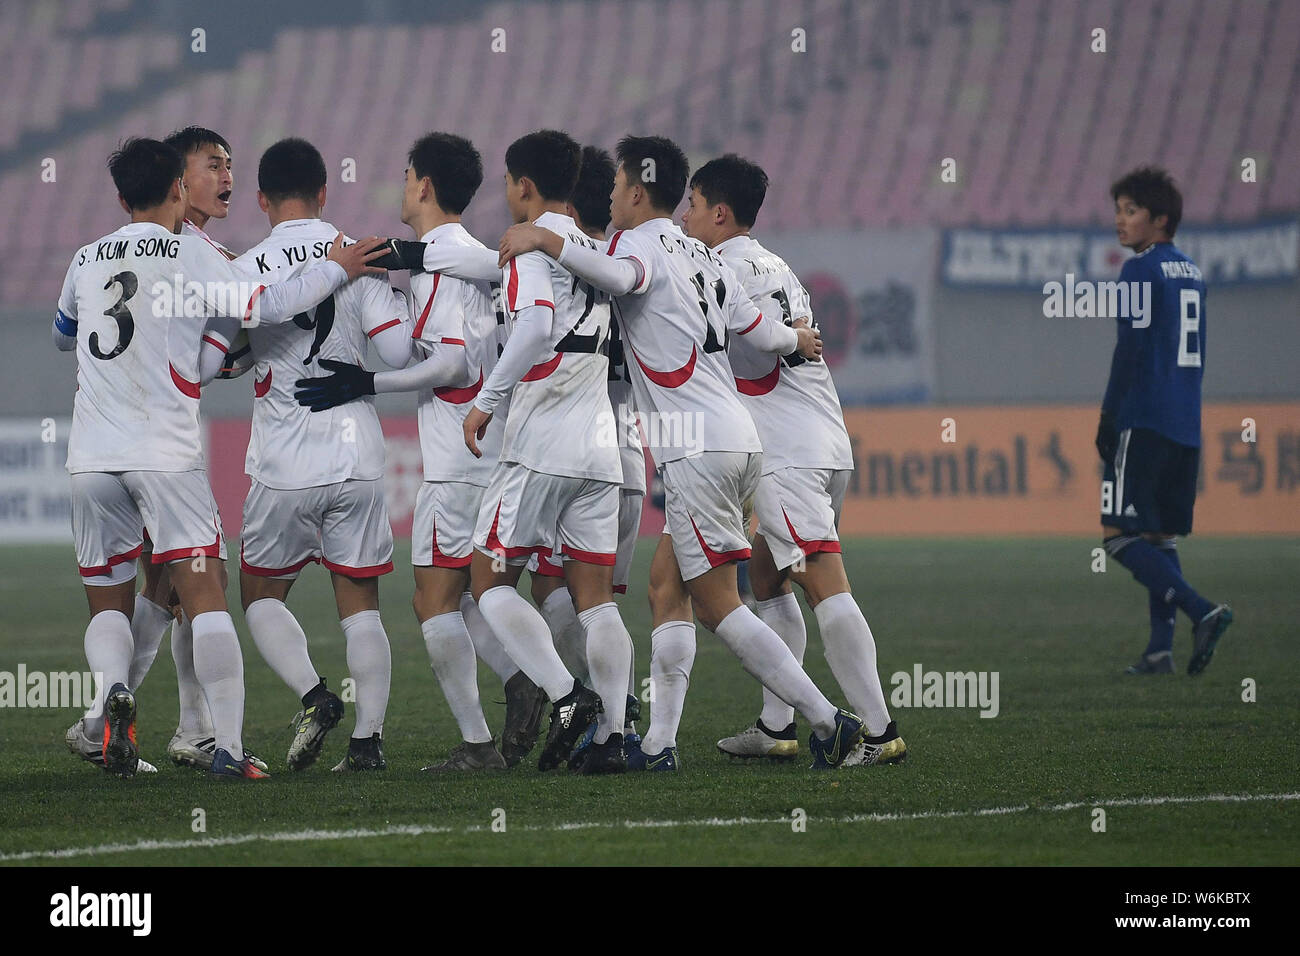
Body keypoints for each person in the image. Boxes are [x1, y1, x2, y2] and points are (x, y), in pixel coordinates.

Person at [498, 135, 863, 770]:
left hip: (695, 446)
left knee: (720, 605)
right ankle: (659, 745)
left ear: (637, 192)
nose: (609, 194)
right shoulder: (702, 253)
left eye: (615, 184)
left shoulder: (636, 246)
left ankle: (831, 722)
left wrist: (544, 239)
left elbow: (615, 275)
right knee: (667, 585)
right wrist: (799, 337)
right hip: (738, 440)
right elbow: (762, 329)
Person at [54, 137, 382, 779]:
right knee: (206, 593)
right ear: (178, 188)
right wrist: (338, 266)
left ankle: (111, 701)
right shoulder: (193, 252)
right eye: (210, 167)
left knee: (110, 601)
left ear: (121, 197)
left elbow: (67, 334)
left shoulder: (85, 256)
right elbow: (266, 304)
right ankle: (224, 749)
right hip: (165, 455)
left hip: (90, 455)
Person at [682, 154, 905, 766]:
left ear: (719, 213)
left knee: (821, 582)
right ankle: (775, 725)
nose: (685, 216)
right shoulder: (775, 264)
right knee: (768, 577)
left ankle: (881, 735)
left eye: (693, 204)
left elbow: (750, 338)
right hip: (824, 441)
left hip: (785, 455)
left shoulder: (721, 267)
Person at [203, 138, 411, 772]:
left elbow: (211, 362)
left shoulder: (244, 267)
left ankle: (316, 697)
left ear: (262, 200)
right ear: (325, 192)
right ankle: (368, 744)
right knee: (361, 602)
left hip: (283, 460)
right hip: (357, 453)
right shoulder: (360, 255)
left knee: (262, 597)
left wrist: (242, 353)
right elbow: (400, 355)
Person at [1097, 166, 1232, 676]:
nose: (1120, 220)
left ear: (1160, 218)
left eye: (1131, 210)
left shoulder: (1139, 270)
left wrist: (1109, 413)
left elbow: (1128, 350)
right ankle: (1159, 651)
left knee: (1118, 535)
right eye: (1118, 210)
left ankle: (1202, 611)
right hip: (1184, 423)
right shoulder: (1191, 271)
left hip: (1144, 419)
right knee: (1157, 536)